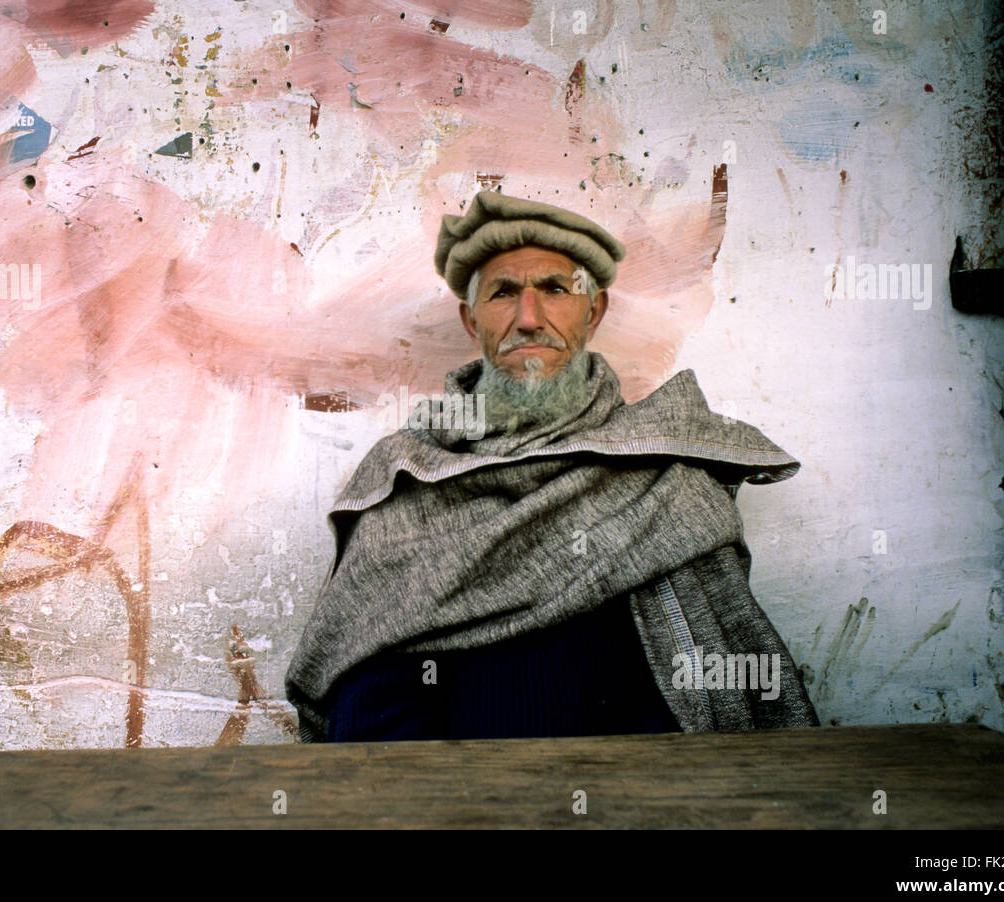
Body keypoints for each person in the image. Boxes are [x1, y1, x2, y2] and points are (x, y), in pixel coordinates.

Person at [286, 190, 818, 742]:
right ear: (472, 321)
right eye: (503, 293)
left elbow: (716, 685)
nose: (529, 318)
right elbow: (369, 703)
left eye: (555, 290)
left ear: (594, 310)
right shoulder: (406, 480)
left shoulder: (668, 478)